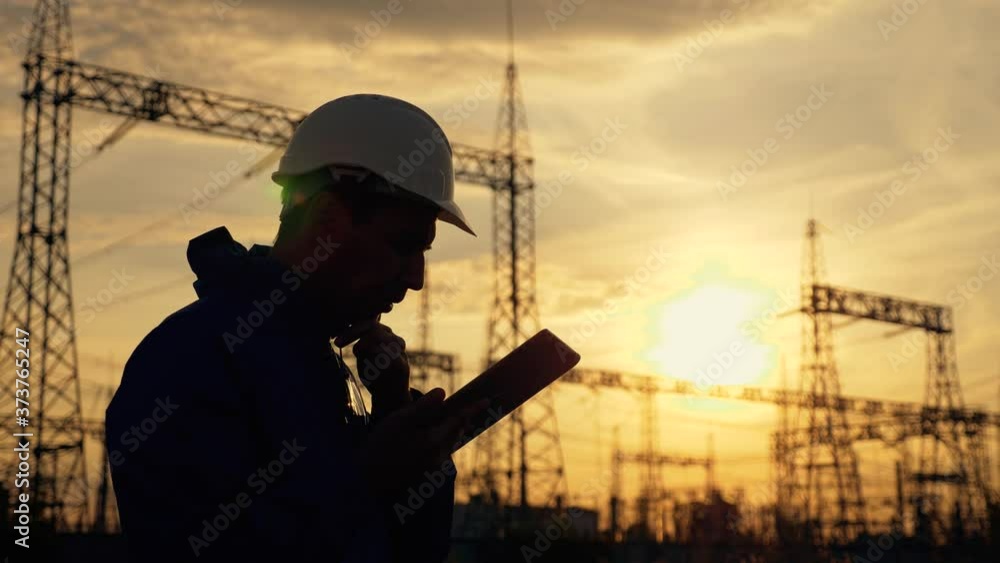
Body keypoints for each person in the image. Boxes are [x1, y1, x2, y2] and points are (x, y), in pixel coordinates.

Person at [105, 94, 486, 562]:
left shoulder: (315, 362)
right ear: (327, 220)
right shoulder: (190, 360)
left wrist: (394, 417)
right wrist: (369, 477)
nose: (416, 279)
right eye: (404, 245)